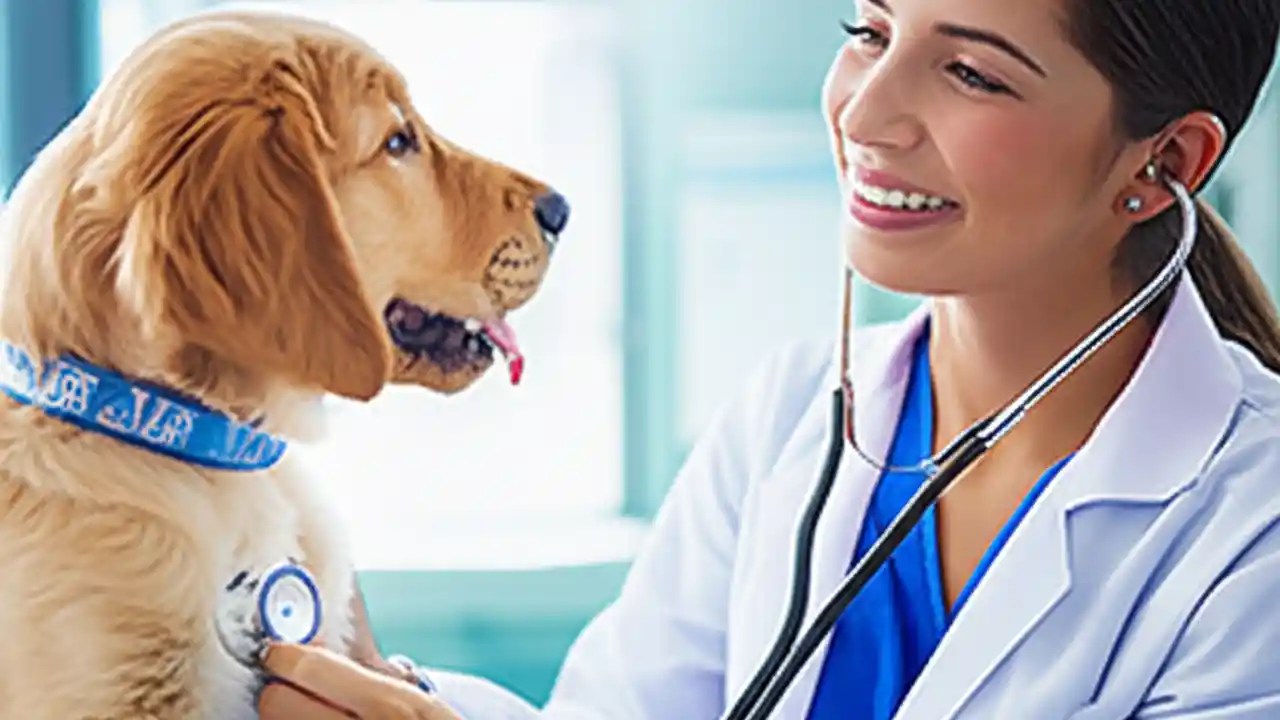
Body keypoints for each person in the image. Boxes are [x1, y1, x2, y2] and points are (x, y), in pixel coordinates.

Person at [268, 0, 1280, 717]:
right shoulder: (794, 413)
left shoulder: (1250, 525)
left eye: (970, 72)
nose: (865, 114)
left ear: (1165, 163)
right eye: (869, 33)